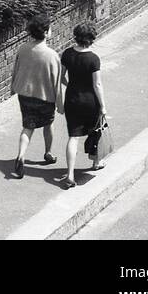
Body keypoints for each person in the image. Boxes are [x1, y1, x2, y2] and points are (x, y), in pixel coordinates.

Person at [9, 16, 61, 179]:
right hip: (45, 97)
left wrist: (12, 88)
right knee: (48, 124)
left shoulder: (23, 48)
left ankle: (21, 156)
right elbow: (56, 81)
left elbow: (16, 69)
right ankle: (48, 153)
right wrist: (60, 103)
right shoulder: (52, 55)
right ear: (46, 32)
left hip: (24, 94)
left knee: (28, 127)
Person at [58, 22, 107, 188]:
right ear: (92, 38)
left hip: (72, 99)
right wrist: (103, 106)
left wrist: (70, 86)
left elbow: (60, 77)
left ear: (76, 36)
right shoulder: (93, 59)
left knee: (73, 137)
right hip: (90, 102)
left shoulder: (67, 54)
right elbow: (97, 85)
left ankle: (70, 175)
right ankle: (96, 162)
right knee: (95, 132)